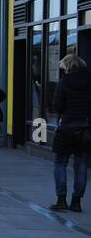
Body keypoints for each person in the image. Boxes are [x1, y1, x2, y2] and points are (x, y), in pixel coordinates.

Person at [51, 50, 90, 212]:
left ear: (67, 66)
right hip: (85, 128)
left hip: (67, 127)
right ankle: (76, 201)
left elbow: (57, 106)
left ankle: (61, 199)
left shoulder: (64, 82)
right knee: (81, 165)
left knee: (60, 163)